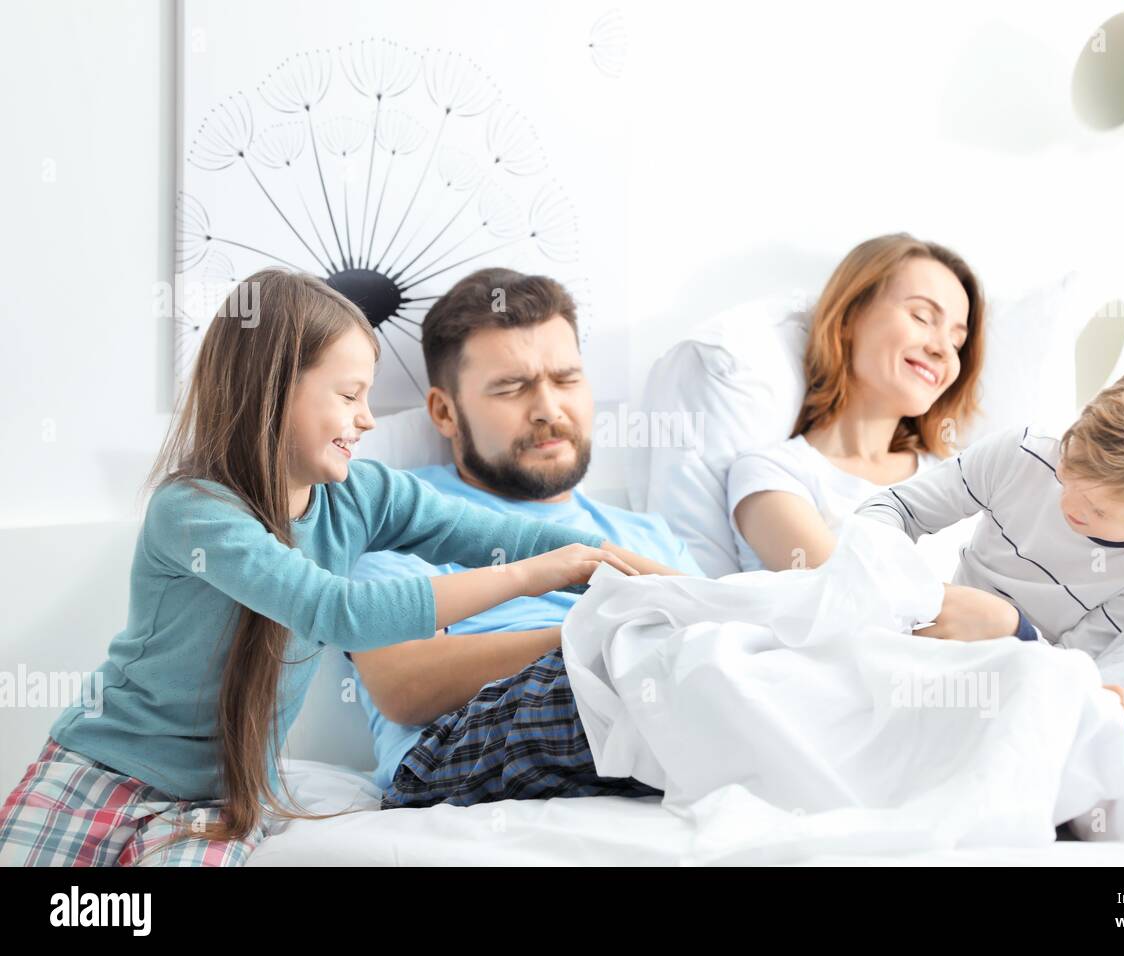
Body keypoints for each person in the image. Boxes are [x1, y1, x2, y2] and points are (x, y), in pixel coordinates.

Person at [0, 270, 666, 866]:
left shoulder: (363, 496)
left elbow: (495, 535)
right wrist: (539, 575)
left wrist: (617, 571)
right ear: (273, 393)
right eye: (349, 395)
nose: (368, 419)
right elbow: (335, 612)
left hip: (222, 803)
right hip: (104, 770)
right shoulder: (194, 511)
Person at [350, 268, 700, 808]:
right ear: (445, 412)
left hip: (641, 708)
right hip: (459, 744)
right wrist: (599, 633)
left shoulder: (645, 533)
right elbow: (402, 683)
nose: (549, 410)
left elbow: (721, 630)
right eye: (512, 387)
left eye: (566, 380)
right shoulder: (399, 518)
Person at [856, 355, 1124, 724]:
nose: (1070, 502)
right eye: (1069, 468)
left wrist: (1011, 629)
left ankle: (1096, 744)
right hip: (936, 645)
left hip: (1033, 680)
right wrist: (905, 586)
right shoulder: (1023, 452)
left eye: (1100, 511)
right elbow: (894, 510)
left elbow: (1078, 668)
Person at [729, 233, 985, 572]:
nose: (942, 350)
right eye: (922, 317)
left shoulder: (961, 475)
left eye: (957, 341)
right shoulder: (775, 474)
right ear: (849, 316)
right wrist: (999, 618)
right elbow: (852, 599)